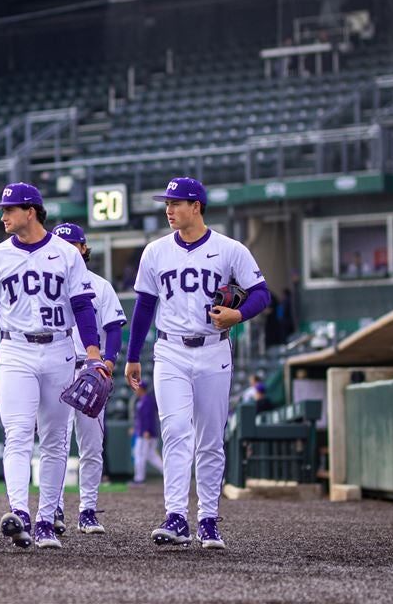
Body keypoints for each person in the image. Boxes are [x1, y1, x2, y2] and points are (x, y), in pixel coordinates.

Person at [124, 176, 270, 550]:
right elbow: (144, 307)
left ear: (196, 206)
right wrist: (133, 355)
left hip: (213, 349)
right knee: (175, 431)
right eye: (167, 204)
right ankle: (175, 516)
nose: (169, 210)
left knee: (210, 439)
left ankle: (208, 520)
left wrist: (238, 316)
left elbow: (261, 293)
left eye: (176, 203)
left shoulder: (230, 249)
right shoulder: (155, 251)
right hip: (169, 350)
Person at [0, 183, 106, 550]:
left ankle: (46, 520)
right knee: (17, 434)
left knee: (55, 438)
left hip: (60, 348)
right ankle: (20, 513)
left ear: (30, 212)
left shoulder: (66, 253)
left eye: (9, 209)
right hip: (15, 349)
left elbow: (82, 306)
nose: (3, 216)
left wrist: (93, 352)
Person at [50, 222, 126, 535]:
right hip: (57, 367)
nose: (67, 250)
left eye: (73, 245)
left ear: (83, 248)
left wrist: (108, 362)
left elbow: (114, 328)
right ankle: (53, 508)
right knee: (56, 442)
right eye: (61, 245)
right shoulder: (48, 285)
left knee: (91, 446)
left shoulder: (100, 286)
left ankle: (88, 511)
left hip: (89, 368)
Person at [130, 383, 163, 485]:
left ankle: (139, 479)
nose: (136, 390)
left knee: (139, 455)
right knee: (151, 455)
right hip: (143, 432)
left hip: (145, 433)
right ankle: (167, 473)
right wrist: (135, 428)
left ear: (142, 389)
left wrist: (147, 430)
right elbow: (140, 419)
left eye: (137, 388)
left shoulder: (147, 400)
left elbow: (149, 417)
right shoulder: (142, 400)